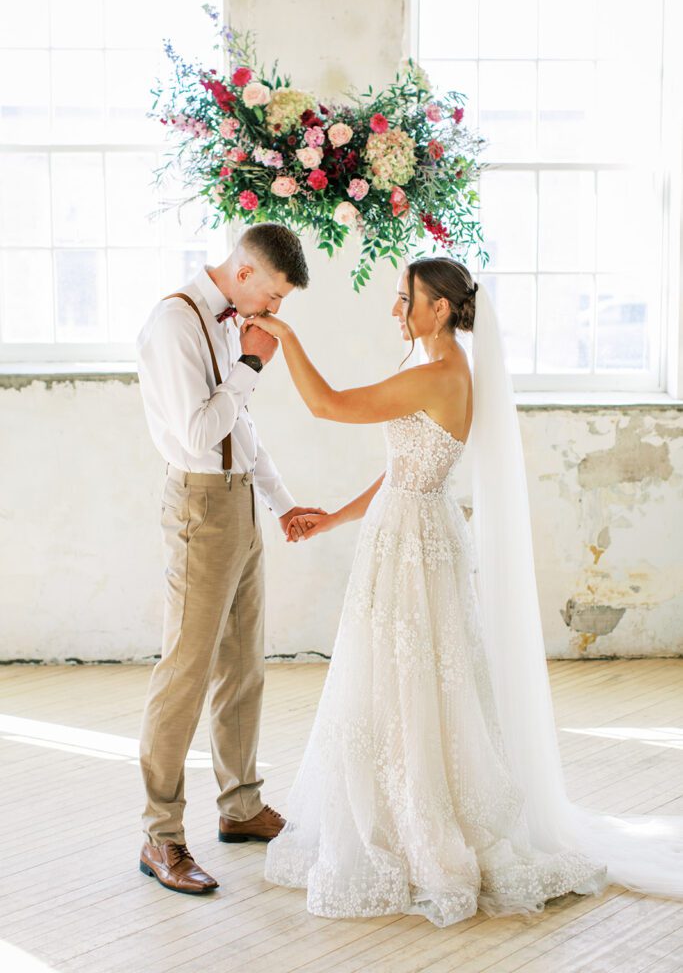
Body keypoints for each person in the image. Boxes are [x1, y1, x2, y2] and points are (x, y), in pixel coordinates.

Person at [243, 256, 683, 927]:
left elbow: (326, 405)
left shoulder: (439, 375)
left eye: (404, 298)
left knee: (417, 678)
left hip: (414, 545)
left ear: (439, 307)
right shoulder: (433, 371)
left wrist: (285, 335)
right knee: (396, 678)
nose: (396, 309)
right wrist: (332, 515)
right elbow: (404, 469)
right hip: (408, 527)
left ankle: (426, 827)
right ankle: (400, 807)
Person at [135, 223, 324, 895]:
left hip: (239, 501)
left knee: (244, 664)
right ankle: (161, 837)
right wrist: (250, 366)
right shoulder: (175, 323)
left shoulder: (234, 321)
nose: (275, 313)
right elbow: (196, 433)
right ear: (244, 273)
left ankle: (240, 807)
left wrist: (282, 502)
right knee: (185, 671)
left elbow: (238, 428)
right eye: (272, 295)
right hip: (199, 507)